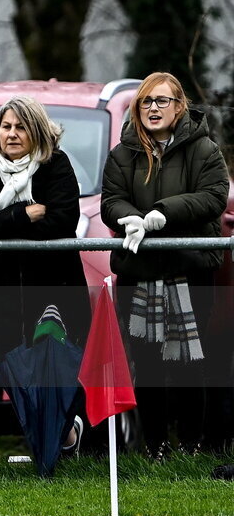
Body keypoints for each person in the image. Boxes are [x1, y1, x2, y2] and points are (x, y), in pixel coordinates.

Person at [100, 72, 229, 459]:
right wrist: (129, 218)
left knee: (189, 360)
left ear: (180, 106)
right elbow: (110, 200)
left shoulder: (204, 150)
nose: (153, 108)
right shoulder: (123, 152)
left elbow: (213, 197)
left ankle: (191, 447)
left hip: (188, 270)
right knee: (148, 364)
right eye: (146, 102)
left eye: (162, 101)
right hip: (139, 273)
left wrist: (160, 214)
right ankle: (154, 448)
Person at [0, 96, 89, 361]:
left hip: (53, 288)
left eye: (21, 127)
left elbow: (63, 221)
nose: (12, 135)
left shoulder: (56, 164)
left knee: (54, 373)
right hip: (0, 294)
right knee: (8, 373)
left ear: (37, 131)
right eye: (6, 127)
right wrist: (23, 215)